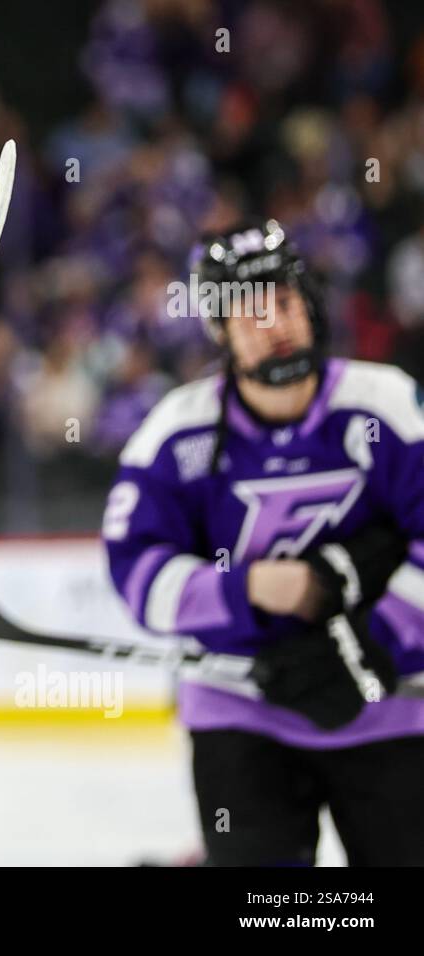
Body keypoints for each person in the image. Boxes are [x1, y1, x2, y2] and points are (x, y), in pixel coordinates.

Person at [104, 219, 424, 865]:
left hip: (391, 707)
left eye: (284, 301)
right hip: (240, 711)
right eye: (247, 312)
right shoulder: (176, 433)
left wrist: (372, 643)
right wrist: (243, 589)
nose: (273, 322)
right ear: (219, 332)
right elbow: (137, 569)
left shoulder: (385, 404)